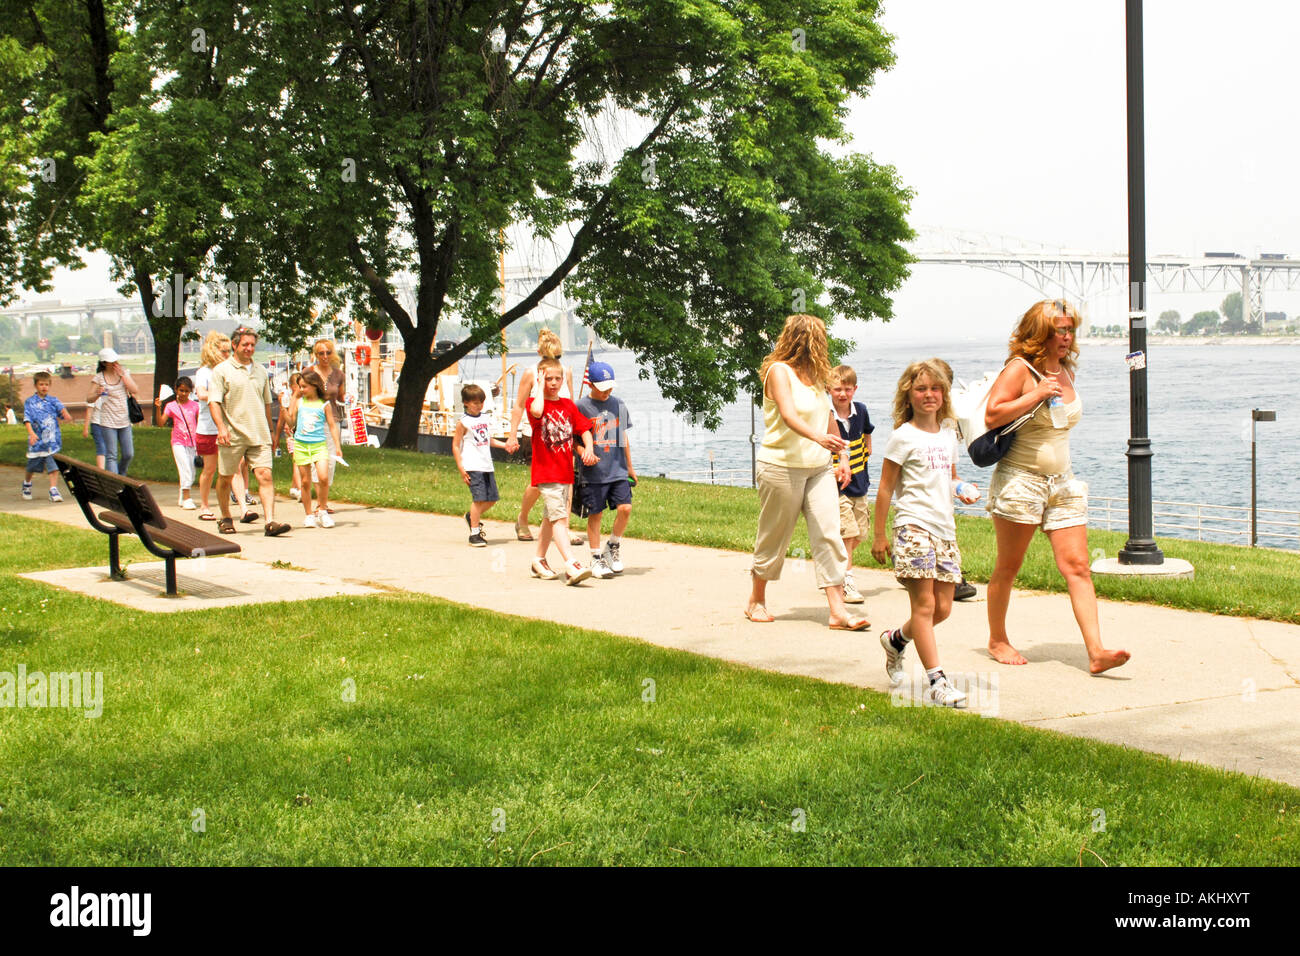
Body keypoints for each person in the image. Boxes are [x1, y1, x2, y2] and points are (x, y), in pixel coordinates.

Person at [983, 299, 1130, 674]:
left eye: (1070, 330)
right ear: (1040, 332)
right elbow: (992, 413)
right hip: (1021, 481)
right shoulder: (1019, 369)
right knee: (1009, 567)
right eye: (1060, 330)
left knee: (1078, 566)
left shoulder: (1066, 371)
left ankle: (1097, 652)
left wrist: (1051, 388)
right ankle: (997, 639)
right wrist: (1035, 394)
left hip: (1063, 483)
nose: (1067, 337)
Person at [745, 313, 866, 630]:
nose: (820, 344)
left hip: (818, 469)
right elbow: (787, 415)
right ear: (802, 339)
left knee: (830, 535)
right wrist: (818, 438)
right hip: (781, 467)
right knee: (775, 537)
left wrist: (841, 455)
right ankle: (756, 599)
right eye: (817, 338)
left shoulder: (817, 375)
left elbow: (826, 415)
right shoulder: (778, 372)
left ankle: (838, 611)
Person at [208, 327, 291, 537]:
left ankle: (270, 521)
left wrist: (272, 433)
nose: (249, 348)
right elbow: (214, 402)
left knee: (265, 475)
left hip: (259, 433)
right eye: (245, 344)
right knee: (225, 478)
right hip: (232, 435)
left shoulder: (261, 371)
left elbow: (266, 404)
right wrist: (221, 428)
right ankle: (226, 517)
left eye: (253, 345)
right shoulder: (221, 371)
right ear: (235, 345)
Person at [526, 358, 597, 584]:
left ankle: (538, 559)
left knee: (550, 518)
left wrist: (588, 448)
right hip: (546, 473)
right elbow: (537, 411)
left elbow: (584, 428)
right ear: (540, 379)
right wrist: (538, 386)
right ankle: (571, 563)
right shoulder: (534, 403)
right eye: (548, 379)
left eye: (558, 378)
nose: (554, 383)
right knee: (560, 519)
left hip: (565, 472)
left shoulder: (568, 405)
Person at [504, 328, 578, 542]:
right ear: (539, 354)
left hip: (562, 437)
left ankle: (564, 526)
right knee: (538, 484)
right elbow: (518, 406)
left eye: (557, 357)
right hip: (535, 435)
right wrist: (511, 435)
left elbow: (570, 404)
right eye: (548, 357)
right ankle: (523, 519)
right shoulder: (530, 373)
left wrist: (576, 434)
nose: (552, 362)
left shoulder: (565, 372)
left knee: (566, 481)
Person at [574, 361, 636, 578]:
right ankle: (595, 557)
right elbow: (573, 441)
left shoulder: (618, 404)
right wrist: (583, 453)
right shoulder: (580, 406)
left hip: (617, 468)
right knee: (596, 513)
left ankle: (612, 546)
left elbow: (623, 438)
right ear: (591, 384)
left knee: (625, 508)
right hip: (594, 472)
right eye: (602, 388)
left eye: (609, 387)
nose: (607, 392)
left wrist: (629, 466)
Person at [927, 357, 978, 603]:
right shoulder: (912, 425)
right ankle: (946, 578)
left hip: (942, 498)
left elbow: (951, 473)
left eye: (940, 388)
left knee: (947, 533)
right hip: (921, 497)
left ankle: (951, 577)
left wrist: (961, 489)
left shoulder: (949, 424)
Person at [829, 365, 875, 605]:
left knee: (860, 534)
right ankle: (846, 580)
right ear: (829, 390)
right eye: (837, 389)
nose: (842, 394)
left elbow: (867, 431)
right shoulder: (826, 415)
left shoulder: (862, 411)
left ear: (855, 389)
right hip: (838, 486)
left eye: (847, 389)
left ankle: (835, 564)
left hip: (860, 481)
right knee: (847, 533)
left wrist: (868, 448)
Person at [193, 332, 248, 521]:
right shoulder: (204, 373)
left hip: (228, 427)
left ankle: (243, 508)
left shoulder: (229, 370)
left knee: (235, 469)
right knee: (209, 469)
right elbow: (200, 393)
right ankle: (205, 506)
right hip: (208, 429)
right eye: (223, 351)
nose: (227, 354)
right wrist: (220, 395)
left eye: (228, 351)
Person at [285, 369, 342, 529]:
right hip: (302, 445)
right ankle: (309, 514)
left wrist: (337, 445)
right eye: (300, 387)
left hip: (319, 445)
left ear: (314, 386)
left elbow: (332, 426)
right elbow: (291, 423)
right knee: (304, 481)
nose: (301, 390)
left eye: (304, 387)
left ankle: (322, 509)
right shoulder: (299, 402)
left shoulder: (324, 404)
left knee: (323, 477)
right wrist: (285, 409)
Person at [453, 383, 507, 547]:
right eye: (475, 403)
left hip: (486, 464)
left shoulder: (484, 418)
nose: (479, 406)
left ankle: (472, 517)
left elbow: (487, 440)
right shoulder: (463, 422)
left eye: (481, 402)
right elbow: (456, 445)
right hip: (472, 464)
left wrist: (505, 446)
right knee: (479, 499)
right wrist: (461, 468)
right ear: (466, 403)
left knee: (492, 499)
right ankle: (474, 533)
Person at [86, 347, 139, 475]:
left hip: (124, 420)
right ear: (104, 363)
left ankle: (121, 474)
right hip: (107, 422)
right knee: (111, 455)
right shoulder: (99, 378)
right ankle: (115, 484)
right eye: (111, 361)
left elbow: (134, 389)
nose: (115, 363)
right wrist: (97, 394)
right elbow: (89, 398)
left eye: (115, 360)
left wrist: (123, 376)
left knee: (128, 453)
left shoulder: (123, 374)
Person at [22, 370, 73, 502]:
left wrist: (66, 414)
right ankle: (27, 483)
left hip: (52, 440)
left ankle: (53, 489)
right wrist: (31, 434)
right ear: (36, 385)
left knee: (53, 466)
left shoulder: (53, 401)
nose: (44, 387)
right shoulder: (30, 402)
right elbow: (27, 419)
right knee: (32, 466)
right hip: (37, 441)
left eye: (46, 384)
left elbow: (63, 412)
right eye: (41, 384)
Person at [309, 338, 348, 498]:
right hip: (314, 420)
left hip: (333, 419)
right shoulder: (309, 373)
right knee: (317, 459)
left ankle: (324, 497)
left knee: (331, 460)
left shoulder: (338, 374)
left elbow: (340, 396)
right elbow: (300, 395)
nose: (325, 356)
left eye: (328, 352)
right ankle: (320, 500)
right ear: (316, 355)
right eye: (321, 353)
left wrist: (347, 399)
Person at [154, 377, 200, 509]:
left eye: (186, 391)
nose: (183, 394)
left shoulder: (195, 406)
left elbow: (198, 423)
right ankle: (187, 497)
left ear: (190, 391)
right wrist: (158, 408)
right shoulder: (171, 406)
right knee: (185, 467)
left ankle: (182, 494)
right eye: (181, 390)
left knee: (191, 471)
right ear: (176, 390)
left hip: (193, 442)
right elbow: (161, 423)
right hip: (178, 442)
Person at [273, 371, 307, 505]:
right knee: (296, 461)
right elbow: (281, 420)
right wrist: (276, 438)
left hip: (302, 434)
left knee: (299, 461)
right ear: (293, 386)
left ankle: (294, 487)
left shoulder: (304, 400)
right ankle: (300, 489)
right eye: (299, 385)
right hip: (292, 434)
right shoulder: (289, 400)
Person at [81, 360, 108, 469]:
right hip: (97, 424)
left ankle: (109, 469)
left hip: (108, 424)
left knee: (108, 447)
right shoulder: (95, 394)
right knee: (101, 446)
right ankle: (101, 469)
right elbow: (89, 410)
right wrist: (86, 428)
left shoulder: (110, 393)